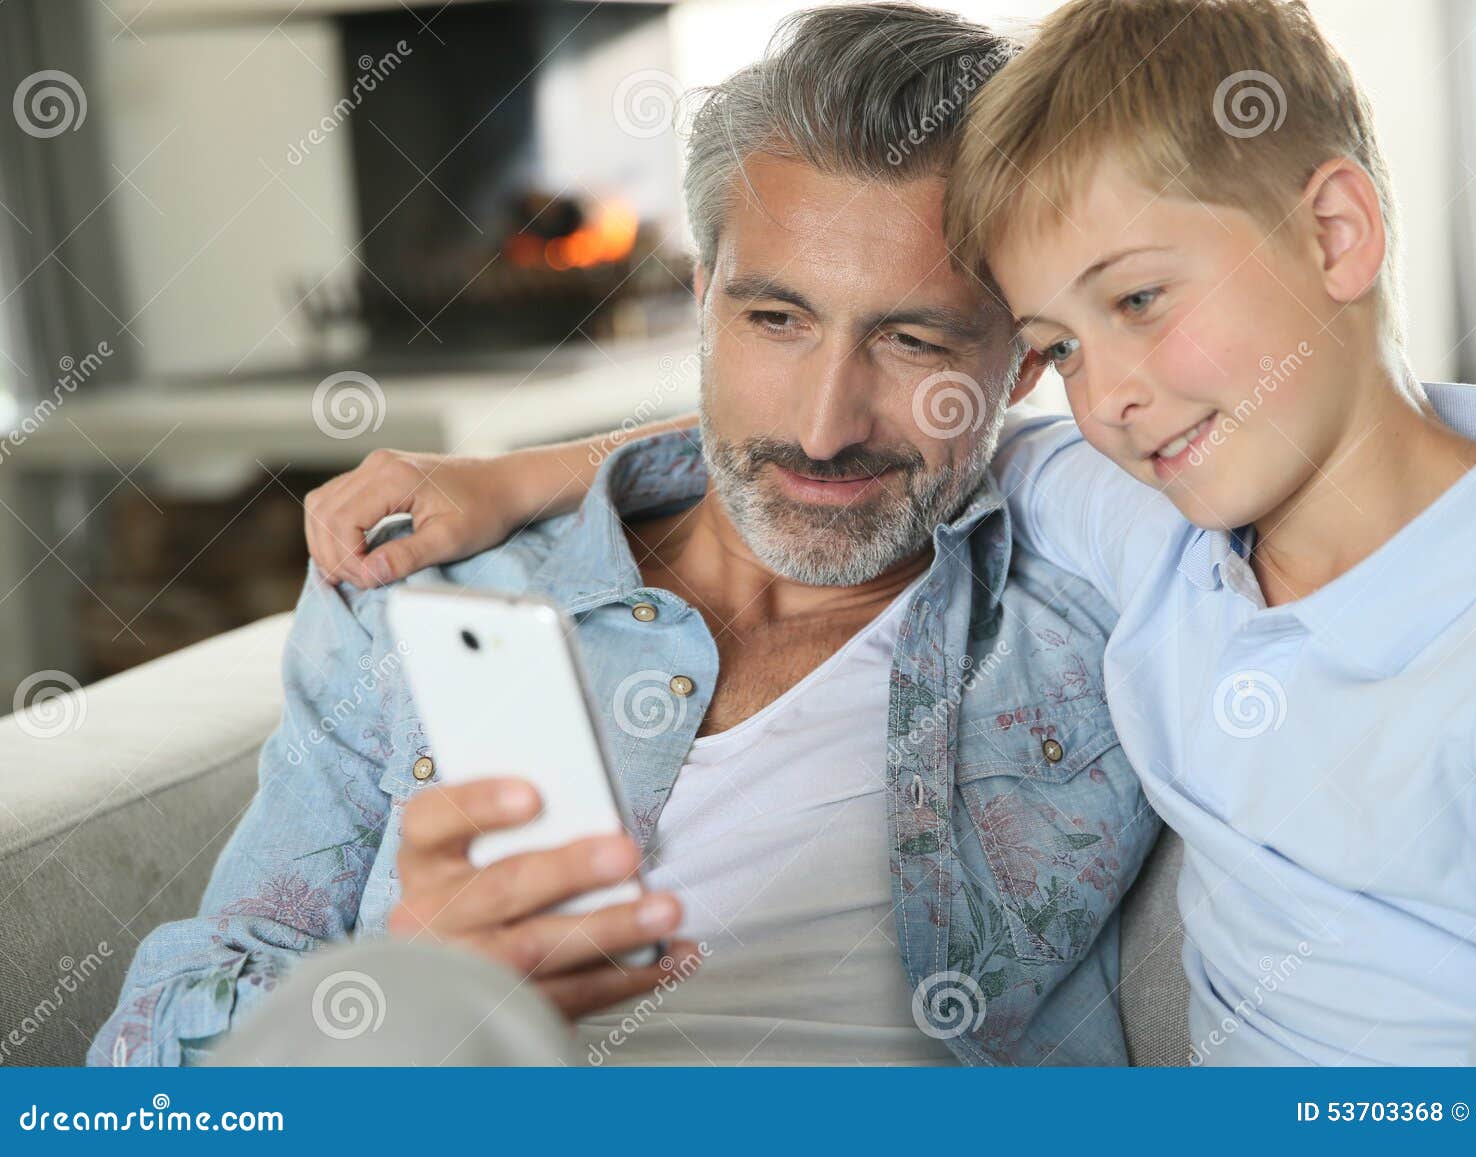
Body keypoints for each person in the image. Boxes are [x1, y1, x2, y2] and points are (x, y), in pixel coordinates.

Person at [308, 0, 1476, 1066]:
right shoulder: (1142, 502)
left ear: (1334, 232)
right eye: (1059, 347)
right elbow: (831, 451)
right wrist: (524, 475)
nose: (1111, 396)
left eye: (1142, 298)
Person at [88, 3, 1156, 1069]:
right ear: (701, 304)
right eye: (774, 320)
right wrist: (388, 996)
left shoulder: (1105, 591)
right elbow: (143, 1070)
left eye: (913, 340)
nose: (823, 427)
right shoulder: (423, 596)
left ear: (1025, 360)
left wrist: (531, 466)